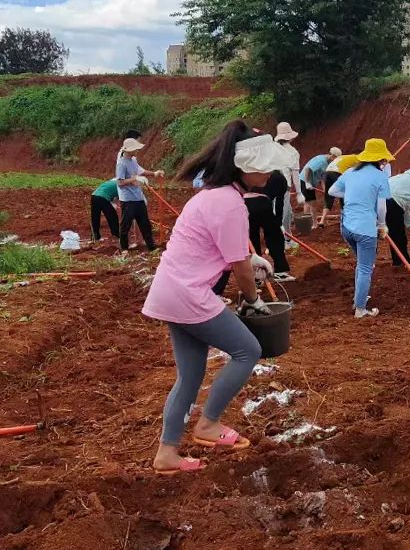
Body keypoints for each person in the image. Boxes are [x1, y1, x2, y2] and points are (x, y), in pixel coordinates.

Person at [142, 128, 280, 474]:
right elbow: (238, 268)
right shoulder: (231, 203)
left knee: (189, 376)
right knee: (248, 350)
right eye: (264, 168)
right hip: (190, 294)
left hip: (171, 291)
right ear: (243, 168)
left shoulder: (211, 195)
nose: (269, 173)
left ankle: (167, 453)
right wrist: (253, 300)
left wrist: (254, 262)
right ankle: (208, 425)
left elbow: (229, 254)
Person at [328, 139, 394, 318]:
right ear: (380, 159)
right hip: (365, 229)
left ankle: (360, 297)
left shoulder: (350, 172)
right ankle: (360, 309)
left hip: (347, 227)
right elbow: (381, 207)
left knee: (362, 264)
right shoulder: (380, 177)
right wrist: (382, 225)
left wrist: (352, 195)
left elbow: (332, 191)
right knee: (366, 267)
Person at [116, 137, 163, 254]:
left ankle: (151, 247)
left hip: (138, 197)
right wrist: (135, 178)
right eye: (135, 149)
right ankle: (124, 249)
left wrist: (154, 173)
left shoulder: (133, 161)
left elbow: (141, 171)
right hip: (128, 200)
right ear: (128, 150)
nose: (137, 151)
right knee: (125, 224)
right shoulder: (121, 164)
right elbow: (120, 182)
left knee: (145, 224)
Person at [301, 147, 342, 225]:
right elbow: (307, 169)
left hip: (311, 182)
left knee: (310, 203)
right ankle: (310, 223)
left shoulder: (327, 162)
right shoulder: (321, 160)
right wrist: (307, 182)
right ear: (332, 156)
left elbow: (322, 176)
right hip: (304, 180)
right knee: (310, 203)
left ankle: (312, 223)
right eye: (336, 159)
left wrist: (324, 187)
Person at [274, 122, 302, 232]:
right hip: (283, 186)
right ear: (290, 137)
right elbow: (295, 175)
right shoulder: (293, 152)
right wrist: (299, 193)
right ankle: (283, 240)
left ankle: (287, 237)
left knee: (285, 211)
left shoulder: (273, 149)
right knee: (282, 214)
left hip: (269, 184)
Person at [322, 150, 359, 221]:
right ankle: (345, 219)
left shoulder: (345, 157)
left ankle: (322, 220)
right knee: (344, 195)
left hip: (327, 172)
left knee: (328, 197)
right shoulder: (357, 158)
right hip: (337, 172)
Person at [90, 178, 119, 244]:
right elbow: (116, 199)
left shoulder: (110, 182)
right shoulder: (121, 185)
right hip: (103, 197)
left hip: (94, 196)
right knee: (113, 217)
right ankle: (116, 235)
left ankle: (95, 237)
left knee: (95, 217)